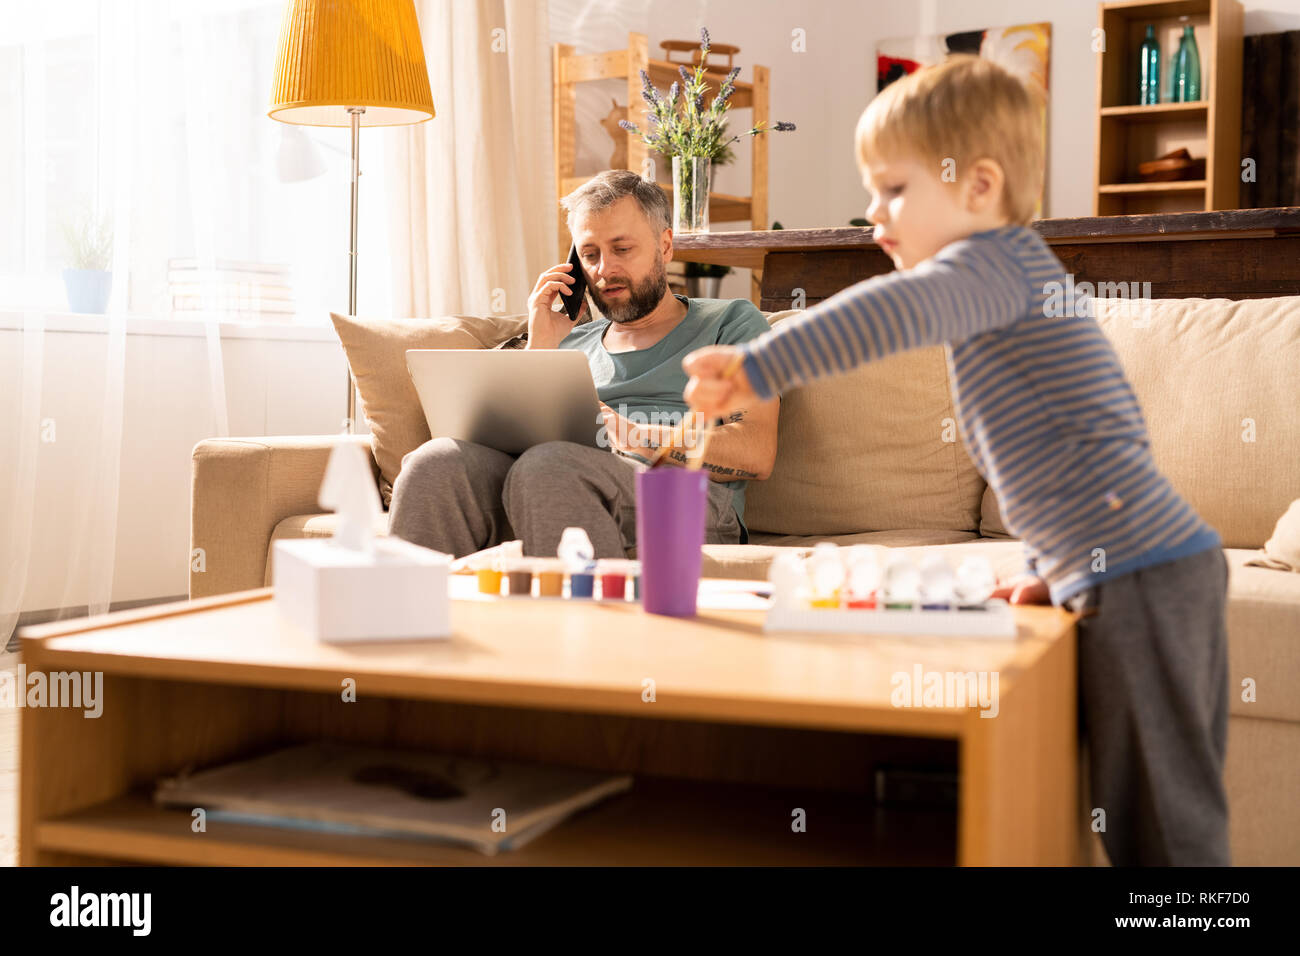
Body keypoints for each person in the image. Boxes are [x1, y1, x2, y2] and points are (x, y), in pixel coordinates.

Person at [682, 55, 1229, 867]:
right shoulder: (1010, 282)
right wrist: (1065, 563)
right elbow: (1084, 448)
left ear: (977, 187)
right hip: (1132, 567)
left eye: (894, 191)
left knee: (1164, 827)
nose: (873, 215)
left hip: (1146, 576)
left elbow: (884, 314)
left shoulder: (989, 265)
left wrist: (756, 366)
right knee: (1126, 806)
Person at [389, 169, 779, 560]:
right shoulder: (570, 342)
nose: (603, 270)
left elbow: (756, 451)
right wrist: (542, 342)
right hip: (549, 479)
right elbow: (516, 444)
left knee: (549, 466)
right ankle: (416, 621)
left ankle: (585, 621)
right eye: (590, 254)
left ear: (665, 246)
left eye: (622, 249)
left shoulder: (729, 322)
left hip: (682, 498)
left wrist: (632, 434)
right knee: (435, 463)